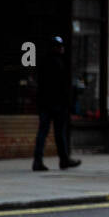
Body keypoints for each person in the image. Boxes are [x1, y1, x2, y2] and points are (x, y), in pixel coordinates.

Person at [32, 35, 81, 171]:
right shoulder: (60, 63)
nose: (62, 49)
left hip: (45, 104)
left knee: (43, 132)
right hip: (58, 105)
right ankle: (63, 159)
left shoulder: (43, 62)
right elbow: (64, 87)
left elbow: (40, 85)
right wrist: (69, 104)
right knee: (60, 133)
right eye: (60, 47)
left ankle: (38, 160)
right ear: (57, 48)